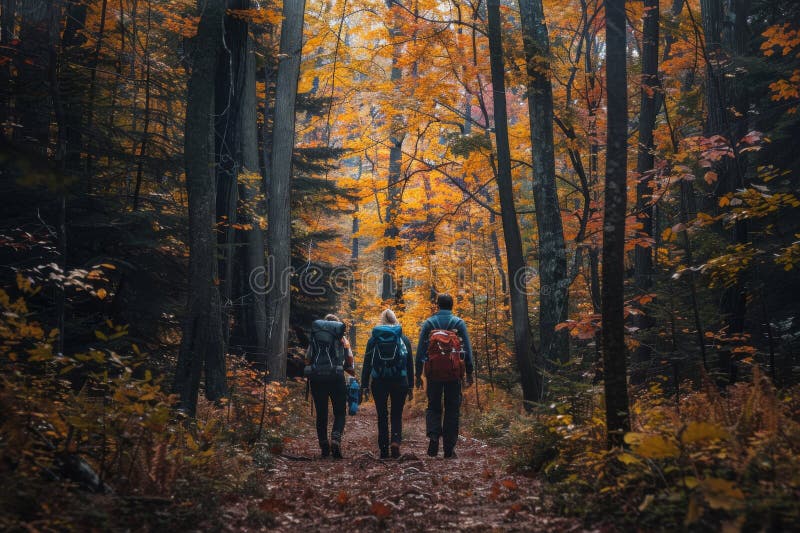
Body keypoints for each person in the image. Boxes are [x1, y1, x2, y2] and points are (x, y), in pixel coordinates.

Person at [415, 294, 473, 458]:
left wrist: (418, 374)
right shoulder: (458, 323)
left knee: (433, 406)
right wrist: (469, 371)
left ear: (438, 305)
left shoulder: (429, 323)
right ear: (452, 306)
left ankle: (434, 437)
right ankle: (449, 449)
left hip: (433, 373)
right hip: (454, 373)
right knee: (452, 409)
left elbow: (420, 351)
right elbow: (467, 350)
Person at [361, 309, 414, 459]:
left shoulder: (374, 339)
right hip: (400, 381)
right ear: (395, 319)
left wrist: (364, 385)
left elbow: (367, 363)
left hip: (379, 381)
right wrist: (411, 385)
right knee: (396, 414)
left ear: (381, 320)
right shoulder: (403, 338)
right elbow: (409, 364)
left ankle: (384, 449)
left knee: (382, 415)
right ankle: (395, 442)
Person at [305, 313, 355, 459]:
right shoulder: (342, 338)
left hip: (317, 378)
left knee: (321, 413)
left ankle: (324, 445)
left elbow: (308, 357)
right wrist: (349, 370)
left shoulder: (315, 337)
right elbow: (349, 358)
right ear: (336, 326)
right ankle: (336, 438)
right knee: (340, 412)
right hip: (336, 377)